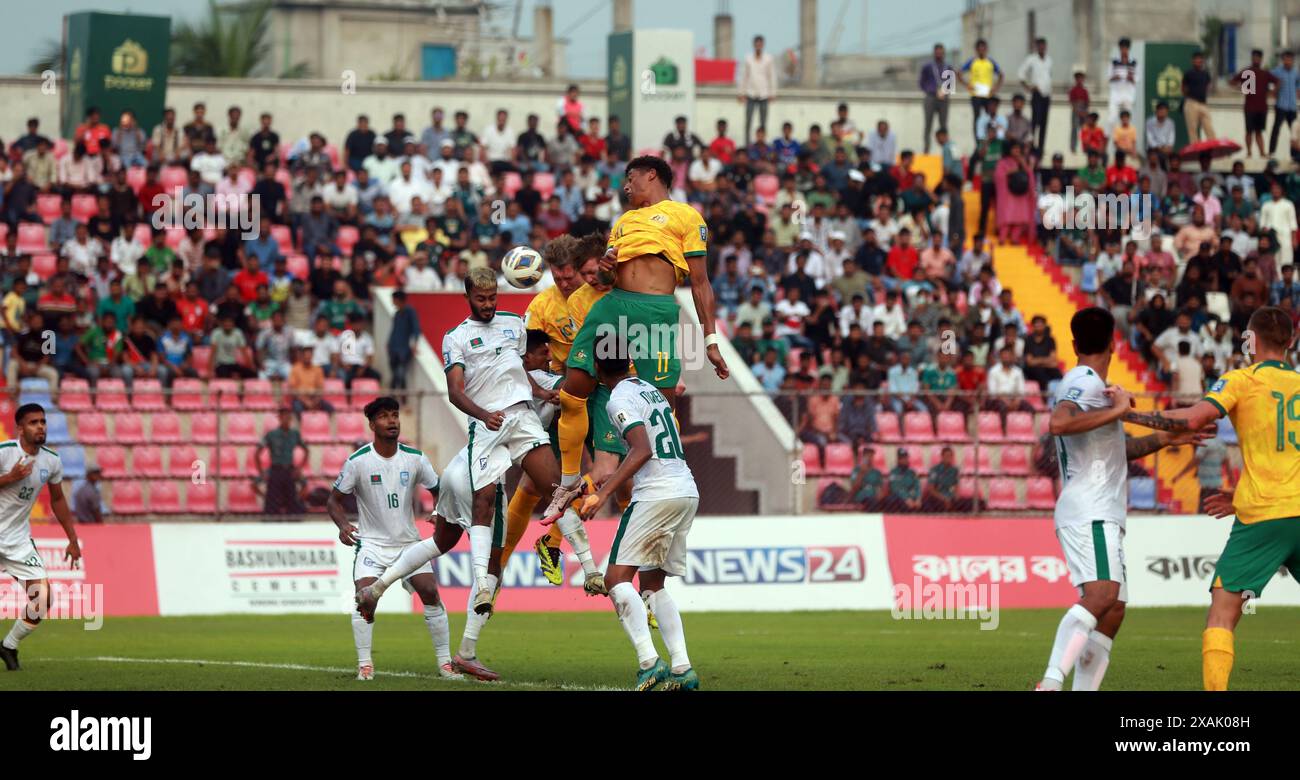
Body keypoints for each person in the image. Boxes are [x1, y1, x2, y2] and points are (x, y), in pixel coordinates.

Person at [546, 156, 728, 522]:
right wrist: (608, 272)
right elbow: (609, 279)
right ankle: (568, 479)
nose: (626, 187)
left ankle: (662, 492)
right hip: (613, 306)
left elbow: (700, 282)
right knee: (573, 386)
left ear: (652, 175)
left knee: (662, 407)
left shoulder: (686, 216)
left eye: (631, 179)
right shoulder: (624, 223)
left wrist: (710, 340)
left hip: (655, 313)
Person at [1035, 307, 1205, 691]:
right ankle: (1049, 682)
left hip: (1104, 510)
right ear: (1115, 342)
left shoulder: (1098, 387)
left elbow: (1116, 452)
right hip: (1089, 508)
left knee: (1112, 611)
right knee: (1102, 595)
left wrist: (1163, 438)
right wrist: (1118, 411)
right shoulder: (1083, 379)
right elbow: (1059, 423)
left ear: (1075, 343)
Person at [573, 334, 702, 691]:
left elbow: (642, 448)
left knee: (616, 580)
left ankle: (648, 662)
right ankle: (682, 668)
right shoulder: (647, 388)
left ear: (597, 368)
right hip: (685, 490)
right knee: (654, 585)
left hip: (656, 494)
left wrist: (604, 494)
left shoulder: (618, 399)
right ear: (628, 360)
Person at [324, 397, 461, 681]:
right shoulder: (358, 462)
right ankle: (365, 665)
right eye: (385, 417)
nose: (393, 421)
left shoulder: (414, 457)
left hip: (409, 544)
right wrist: (342, 525)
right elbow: (333, 501)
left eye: (395, 415)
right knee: (365, 601)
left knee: (431, 594)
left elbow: (439, 489)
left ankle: (446, 663)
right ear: (373, 424)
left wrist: (438, 510)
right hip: (372, 545)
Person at [0, 403, 82, 671]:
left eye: (43, 422)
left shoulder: (51, 460)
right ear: (20, 428)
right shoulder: (5, 453)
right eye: (34, 422)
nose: (41, 427)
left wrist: (72, 538)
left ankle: (8, 645)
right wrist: (9, 477)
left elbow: (58, 499)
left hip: (19, 541)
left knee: (43, 598)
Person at [257, 407, 309, 515]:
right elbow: (257, 453)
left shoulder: (295, 434)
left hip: (289, 470)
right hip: (276, 470)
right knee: (271, 505)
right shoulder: (271, 435)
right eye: (284, 416)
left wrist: (299, 468)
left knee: (292, 504)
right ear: (279, 418)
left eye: (288, 417)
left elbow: (306, 450)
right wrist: (261, 471)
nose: (286, 419)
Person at [1231, 48, 1277, 158]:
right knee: (1249, 131)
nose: (1256, 59)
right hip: (1249, 107)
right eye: (1254, 57)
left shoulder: (1265, 73)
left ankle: (1262, 152)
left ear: (1261, 59)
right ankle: (1249, 152)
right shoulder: (1247, 72)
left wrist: (1272, 92)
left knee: (1259, 132)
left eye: (1258, 57)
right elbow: (1232, 81)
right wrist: (1240, 88)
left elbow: (1278, 81)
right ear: (1252, 58)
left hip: (1262, 107)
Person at [958, 39, 1004, 144]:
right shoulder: (972, 61)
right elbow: (959, 73)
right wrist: (967, 85)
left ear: (986, 49)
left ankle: (989, 139)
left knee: (990, 118)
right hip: (976, 95)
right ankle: (978, 141)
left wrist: (995, 88)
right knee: (977, 118)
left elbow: (1001, 75)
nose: (982, 51)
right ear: (976, 50)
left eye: (984, 48)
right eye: (980, 48)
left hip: (988, 95)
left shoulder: (990, 62)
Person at [739, 35, 776, 145]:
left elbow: (772, 76)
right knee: (748, 121)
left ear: (763, 45)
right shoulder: (748, 58)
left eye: (760, 44)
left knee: (763, 122)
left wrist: (772, 93)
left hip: (764, 94)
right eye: (757, 44)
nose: (758, 46)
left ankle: (762, 143)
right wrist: (741, 92)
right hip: (750, 93)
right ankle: (747, 143)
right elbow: (743, 76)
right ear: (754, 45)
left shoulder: (768, 58)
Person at [1018, 37, 1052, 154]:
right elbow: (1021, 73)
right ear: (1037, 47)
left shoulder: (1049, 60)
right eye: (1040, 45)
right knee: (1035, 121)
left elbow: (1049, 76)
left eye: (1044, 45)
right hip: (1036, 93)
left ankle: (1041, 147)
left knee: (1044, 122)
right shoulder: (1031, 59)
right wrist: (1028, 87)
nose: (1042, 48)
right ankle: (1032, 144)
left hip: (1046, 94)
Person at [919, 43, 951, 155]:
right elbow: (922, 83)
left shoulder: (948, 66)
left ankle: (946, 150)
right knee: (928, 124)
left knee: (943, 125)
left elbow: (951, 84)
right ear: (934, 53)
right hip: (931, 97)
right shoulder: (927, 66)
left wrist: (944, 92)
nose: (939, 54)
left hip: (943, 98)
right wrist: (932, 91)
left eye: (941, 52)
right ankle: (926, 149)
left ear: (943, 53)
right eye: (937, 52)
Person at [1270, 50, 1299, 156]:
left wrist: (1298, 91)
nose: (1288, 61)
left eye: (1290, 59)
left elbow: (1298, 84)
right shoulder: (1277, 72)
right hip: (1281, 105)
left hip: (1292, 106)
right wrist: (1273, 91)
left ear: (1293, 60)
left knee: (1294, 132)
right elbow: (1268, 81)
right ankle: (1271, 152)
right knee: (1276, 129)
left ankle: (1294, 154)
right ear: (1283, 60)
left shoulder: (1296, 72)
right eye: (1286, 59)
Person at [1182, 50, 1216, 142]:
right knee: (1192, 130)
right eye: (1196, 59)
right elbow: (1183, 88)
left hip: (1203, 104)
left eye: (1200, 59)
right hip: (1192, 103)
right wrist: (1189, 98)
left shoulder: (1205, 73)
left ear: (1202, 61)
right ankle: (1195, 153)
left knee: (1209, 128)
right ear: (1192, 61)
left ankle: (1214, 149)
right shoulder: (1188, 73)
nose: (1198, 61)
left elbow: (1208, 86)